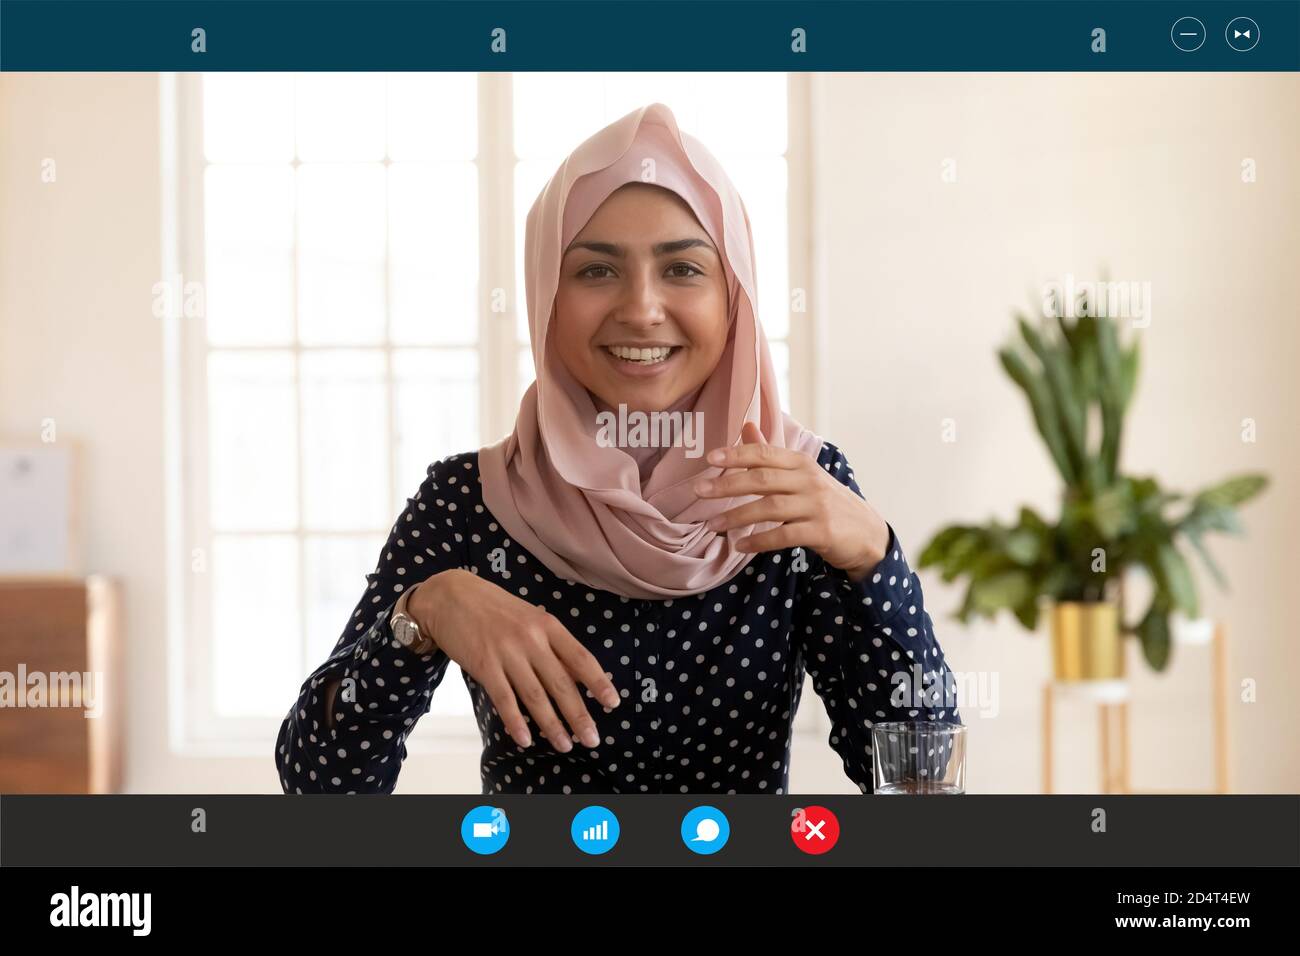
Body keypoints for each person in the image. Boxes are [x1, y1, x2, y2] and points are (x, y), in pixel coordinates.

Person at [274, 102, 961, 795]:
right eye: (596, 271)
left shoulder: (792, 489)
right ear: (546, 294)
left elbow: (924, 784)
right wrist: (425, 611)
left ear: (735, 297)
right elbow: (319, 783)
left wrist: (876, 557)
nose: (640, 308)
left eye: (683, 270)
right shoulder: (470, 502)